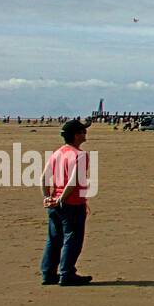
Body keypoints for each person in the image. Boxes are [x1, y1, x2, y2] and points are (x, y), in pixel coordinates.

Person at [40, 119, 93, 286]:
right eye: (83, 131)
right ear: (76, 135)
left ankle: (48, 273)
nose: (85, 134)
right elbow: (73, 181)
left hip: (56, 201)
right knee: (73, 239)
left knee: (54, 239)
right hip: (72, 203)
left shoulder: (57, 153)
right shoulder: (80, 155)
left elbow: (44, 177)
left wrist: (47, 197)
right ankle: (66, 273)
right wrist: (62, 199)